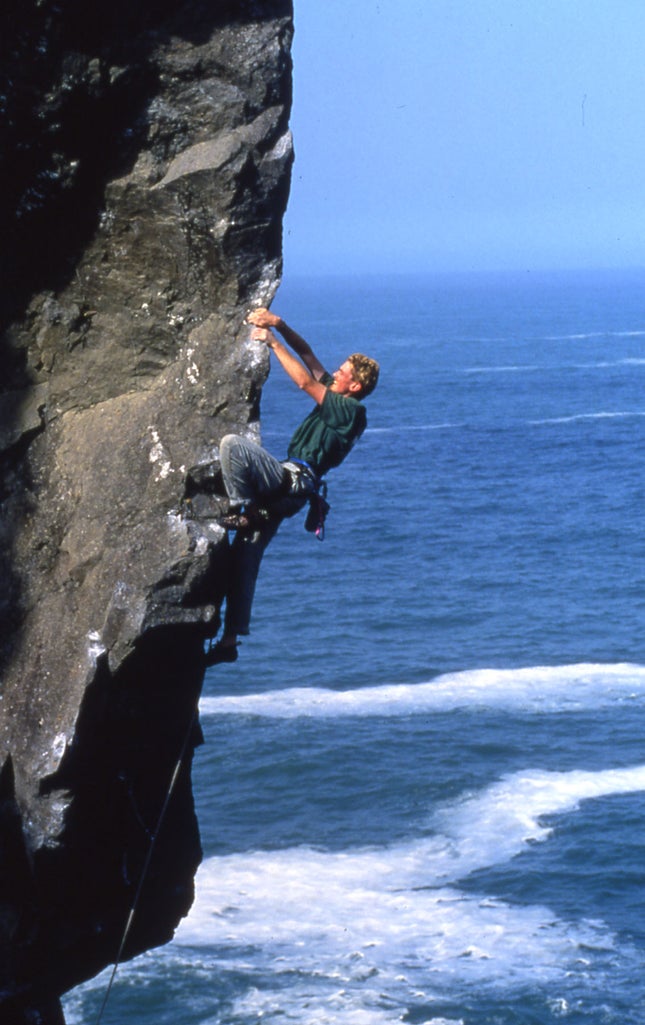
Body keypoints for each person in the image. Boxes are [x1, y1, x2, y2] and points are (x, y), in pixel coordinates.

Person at [205, 307, 379, 666]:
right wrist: (280, 325)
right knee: (246, 556)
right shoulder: (336, 394)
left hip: (294, 480)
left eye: (343, 372)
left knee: (232, 445)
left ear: (355, 386)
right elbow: (308, 355)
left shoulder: (351, 412)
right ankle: (230, 640)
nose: (336, 372)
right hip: (291, 491)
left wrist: (271, 342)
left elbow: (304, 382)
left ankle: (245, 509)